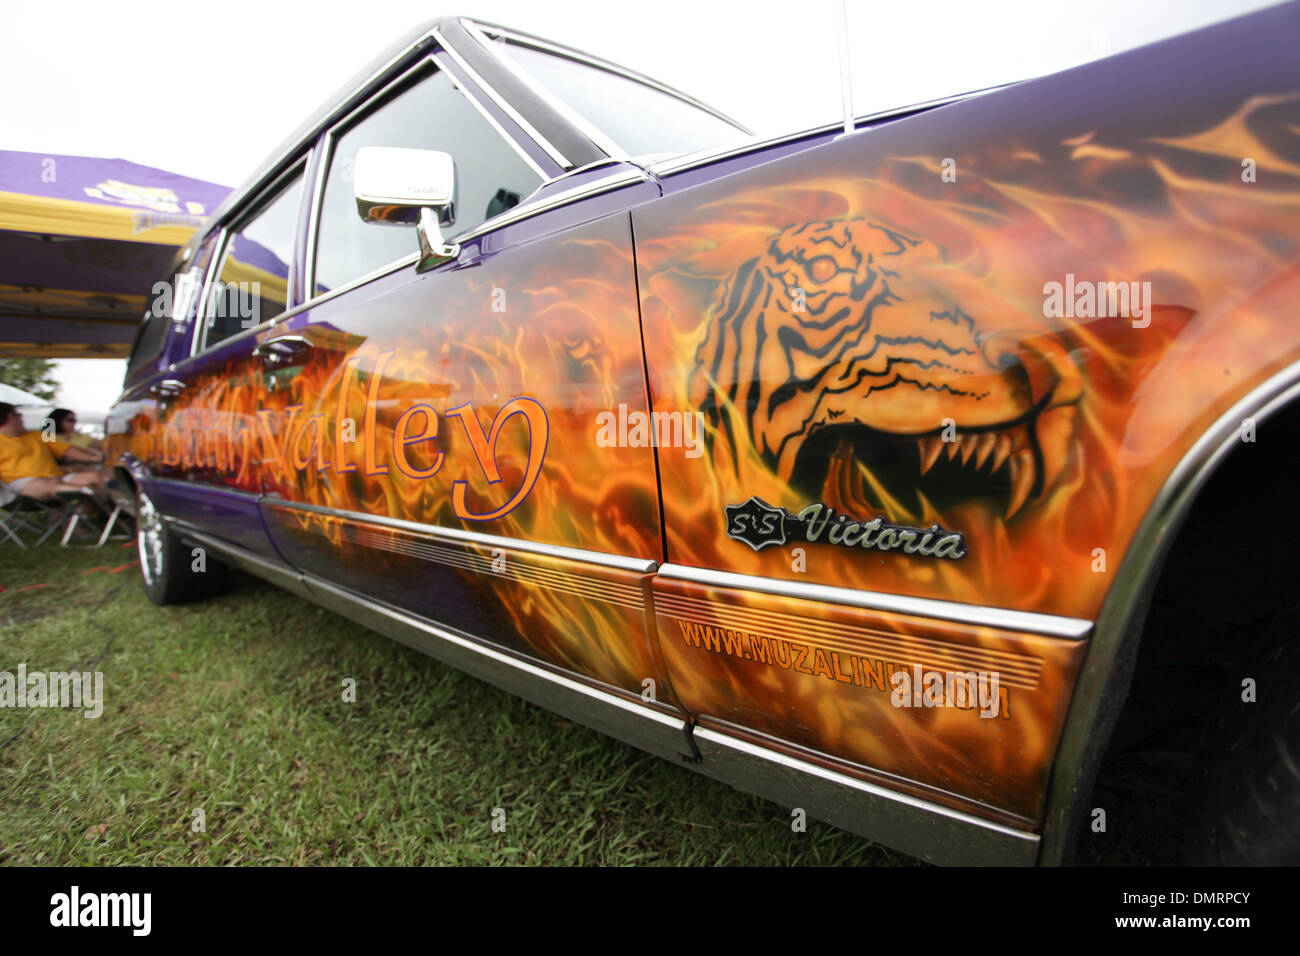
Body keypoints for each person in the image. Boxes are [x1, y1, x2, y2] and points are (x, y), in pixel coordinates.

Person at [0, 402, 106, 502]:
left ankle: (91, 515)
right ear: (10, 418)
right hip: (21, 485)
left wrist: (95, 458)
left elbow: (68, 450)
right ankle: (87, 493)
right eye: (19, 415)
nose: (22, 419)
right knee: (48, 485)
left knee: (96, 477)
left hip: (57, 478)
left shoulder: (36, 435)